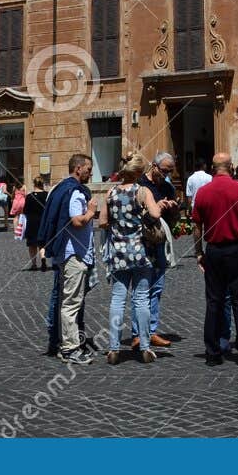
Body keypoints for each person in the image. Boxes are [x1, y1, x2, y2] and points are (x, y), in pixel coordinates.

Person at [190, 153, 238, 365]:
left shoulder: (203, 192)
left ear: (213, 168)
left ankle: (213, 353)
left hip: (214, 251)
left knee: (214, 302)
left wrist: (199, 252)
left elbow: (196, 226)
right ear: (230, 167)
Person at [98, 155, 163, 365]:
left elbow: (102, 221)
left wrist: (118, 226)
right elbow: (155, 213)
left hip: (118, 254)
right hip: (141, 252)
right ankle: (145, 346)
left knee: (117, 299)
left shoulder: (111, 192)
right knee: (141, 299)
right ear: (138, 173)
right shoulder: (142, 192)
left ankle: (114, 348)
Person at [40, 154, 97, 365]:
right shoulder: (75, 192)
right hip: (74, 254)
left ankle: (64, 343)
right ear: (78, 168)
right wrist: (91, 212)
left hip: (67, 252)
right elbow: (77, 221)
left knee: (66, 300)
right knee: (71, 303)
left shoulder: (61, 188)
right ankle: (70, 349)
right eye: (88, 169)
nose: (90, 173)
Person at [138, 153, 180, 348]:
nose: (166, 175)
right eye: (164, 171)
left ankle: (152, 330)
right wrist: (156, 207)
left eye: (170, 171)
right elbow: (135, 214)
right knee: (142, 289)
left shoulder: (168, 187)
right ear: (154, 166)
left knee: (157, 287)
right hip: (141, 241)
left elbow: (173, 219)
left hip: (160, 241)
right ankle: (138, 332)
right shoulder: (140, 184)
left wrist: (173, 208)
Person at [21, 177, 50, 271]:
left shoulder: (29, 196)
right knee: (42, 242)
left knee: (32, 244)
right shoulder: (47, 195)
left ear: (34, 184)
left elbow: (25, 210)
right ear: (42, 184)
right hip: (43, 221)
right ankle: (43, 257)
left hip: (32, 222)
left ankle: (34, 264)